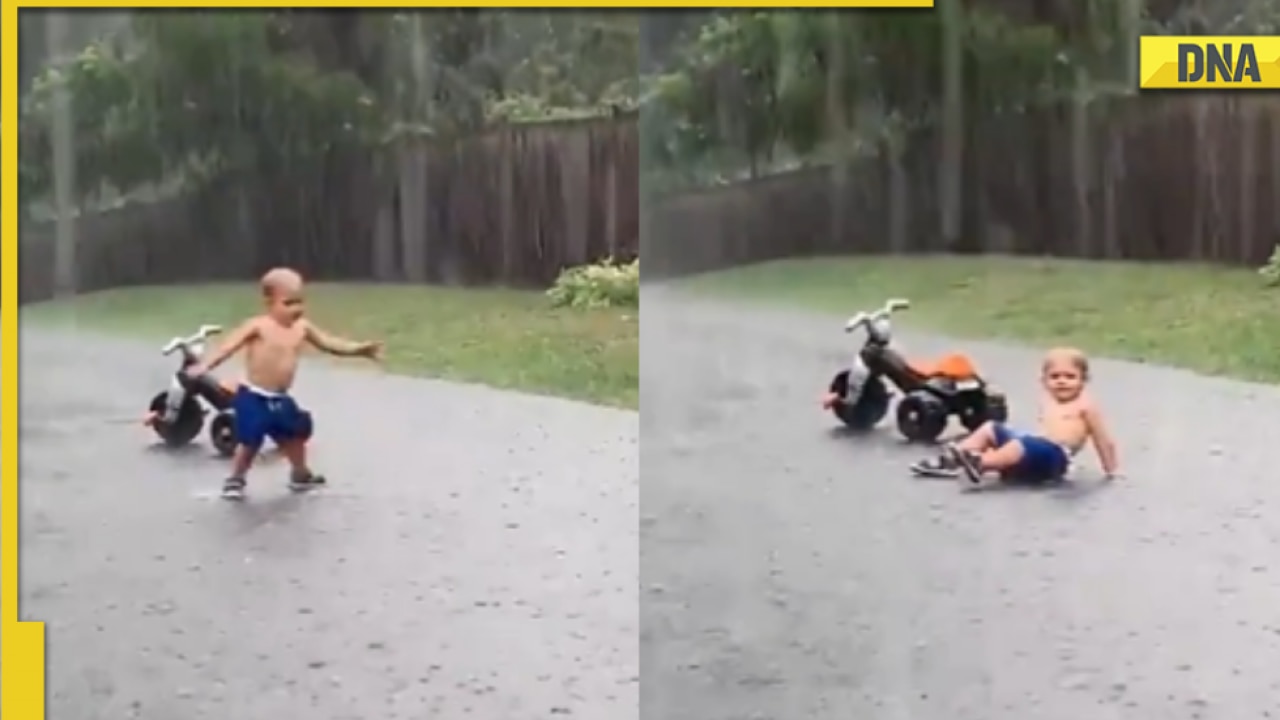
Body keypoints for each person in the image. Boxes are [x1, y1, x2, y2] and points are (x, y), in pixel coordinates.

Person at [188, 267, 383, 500]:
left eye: (300, 302)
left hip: (280, 398)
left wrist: (358, 350)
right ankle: (236, 478)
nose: (297, 309)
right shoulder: (258, 326)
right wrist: (205, 366)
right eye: (288, 303)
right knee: (251, 440)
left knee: (294, 436)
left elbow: (330, 343)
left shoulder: (302, 328)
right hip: (253, 396)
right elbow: (228, 346)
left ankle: (299, 475)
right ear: (269, 301)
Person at [911, 347, 1119, 485]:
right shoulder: (1049, 401)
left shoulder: (1086, 406)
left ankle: (981, 463)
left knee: (1023, 443)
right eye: (1055, 377)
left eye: (1070, 377)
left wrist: (1110, 469)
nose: (1061, 381)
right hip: (1032, 453)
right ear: (1044, 381)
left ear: (1084, 380)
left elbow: (1103, 440)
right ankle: (953, 459)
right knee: (991, 428)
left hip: (1055, 458)